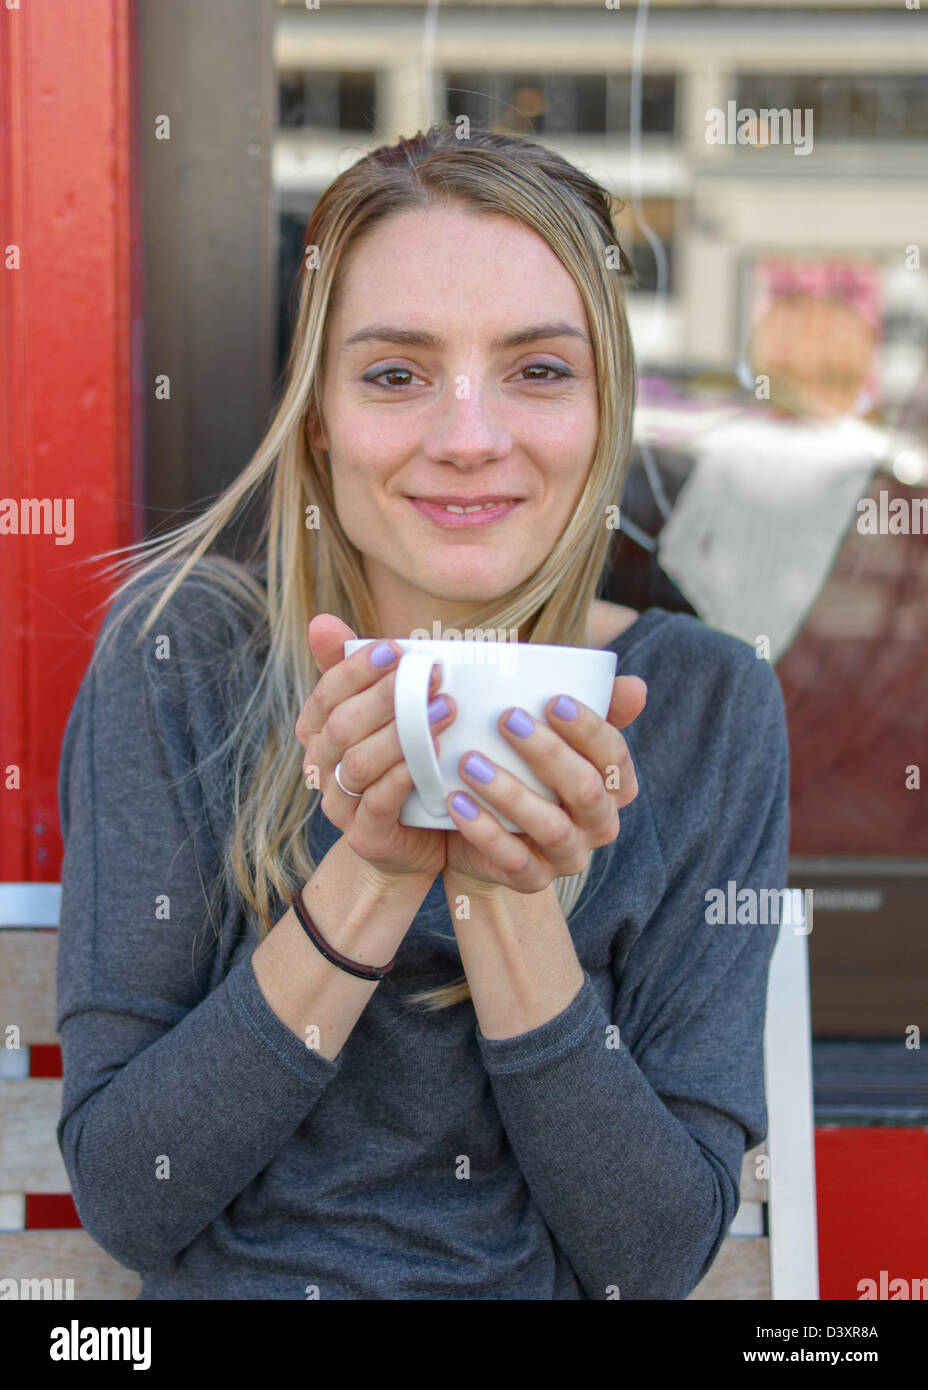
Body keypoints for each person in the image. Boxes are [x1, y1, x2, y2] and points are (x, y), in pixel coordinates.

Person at [55, 124, 790, 1300]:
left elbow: (649, 1258)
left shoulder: (705, 704)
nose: (467, 438)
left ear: (605, 416)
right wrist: (379, 871)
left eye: (539, 370)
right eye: (396, 373)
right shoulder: (183, 654)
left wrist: (503, 895)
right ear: (318, 421)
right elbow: (135, 1196)